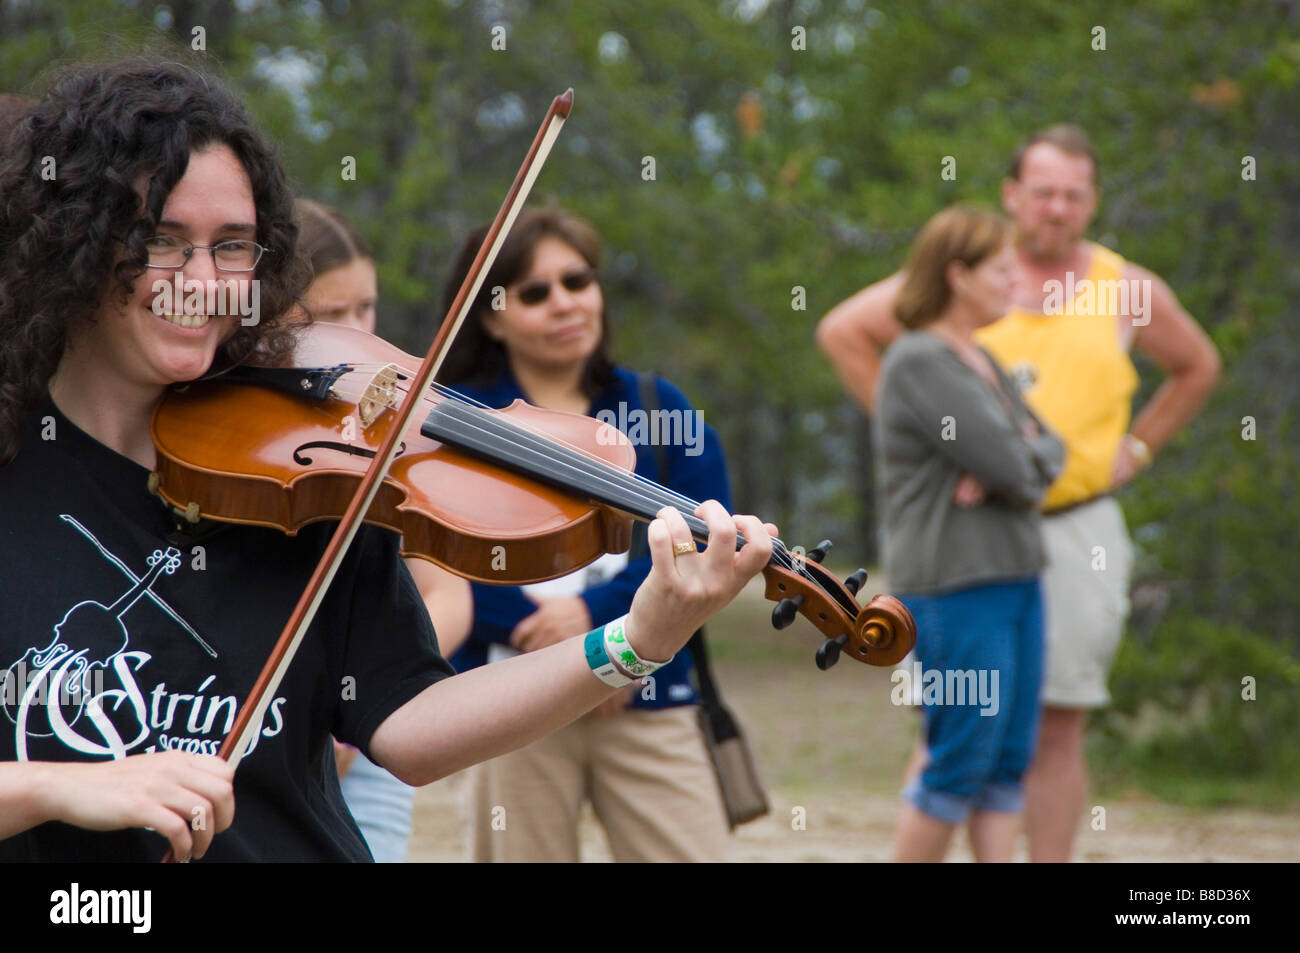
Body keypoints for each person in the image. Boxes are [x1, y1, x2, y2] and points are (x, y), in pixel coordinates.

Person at [0, 58, 772, 863]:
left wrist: (638, 636)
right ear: (74, 243)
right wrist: (55, 786)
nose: (203, 281)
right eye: (160, 241)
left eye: (231, 246)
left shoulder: (302, 466)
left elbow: (411, 725)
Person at [816, 125, 1221, 861]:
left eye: (1074, 195)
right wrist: (934, 444)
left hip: (1071, 526)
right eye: (1043, 193)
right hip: (963, 542)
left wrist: (1137, 448)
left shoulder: (1125, 286)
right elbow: (843, 330)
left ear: (1093, 200)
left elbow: (1197, 365)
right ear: (1012, 195)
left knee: (1052, 725)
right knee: (956, 731)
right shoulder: (967, 274)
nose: (1057, 210)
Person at [438, 206, 734, 862]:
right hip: (509, 698)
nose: (565, 303)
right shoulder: (455, 416)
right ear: (492, 315)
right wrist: (541, 636)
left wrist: (599, 629)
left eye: (578, 280)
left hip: (648, 694)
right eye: (535, 292)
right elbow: (436, 560)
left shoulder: (661, 407)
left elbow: (702, 541)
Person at [876, 204, 1063, 862]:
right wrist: (1016, 459)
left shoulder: (980, 354)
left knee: (1007, 762)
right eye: (1000, 269)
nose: (1014, 280)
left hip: (1015, 577)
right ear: (957, 275)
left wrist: (1016, 459)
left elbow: (1050, 452)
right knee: (958, 761)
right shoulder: (921, 359)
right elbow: (1018, 463)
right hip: (956, 586)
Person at [294, 197, 472, 861]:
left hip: (374, 731)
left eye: (365, 308)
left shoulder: (396, 430)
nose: (357, 330)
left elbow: (448, 594)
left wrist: (355, 711)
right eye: (330, 312)